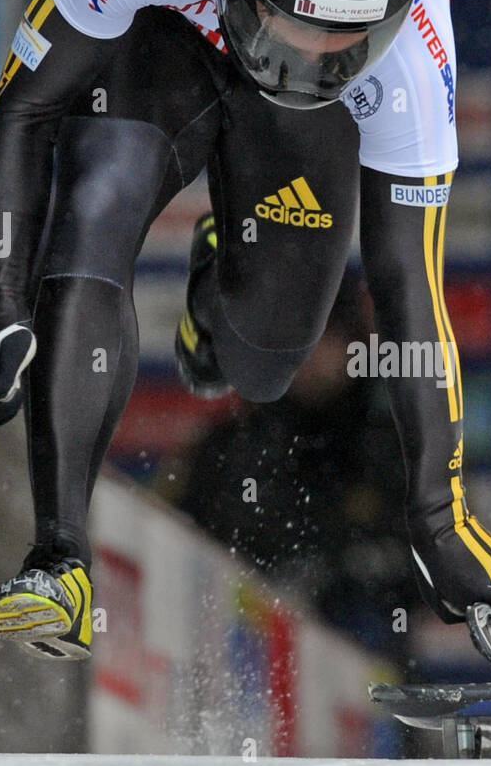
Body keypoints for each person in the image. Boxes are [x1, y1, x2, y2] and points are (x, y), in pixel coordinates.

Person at [0, 0, 491, 660]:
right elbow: (25, 109)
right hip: (167, 40)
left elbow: (411, 291)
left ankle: (222, 264)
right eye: (299, 31)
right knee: (96, 201)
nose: (313, 59)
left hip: (301, 120)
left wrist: (437, 520)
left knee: (262, 365)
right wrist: (4, 301)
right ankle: (57, 557)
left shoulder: (415, 42)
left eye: (343, 46)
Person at [174, 275, 420, 658]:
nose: (313, 354)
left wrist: (344, 569)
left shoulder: (397, 449)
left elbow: (433, 569)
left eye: (327, 337)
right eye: (296, 339)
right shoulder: (229, 447)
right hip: (244, 669)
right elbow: (186, 553)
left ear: (355, 346)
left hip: (366, 684)